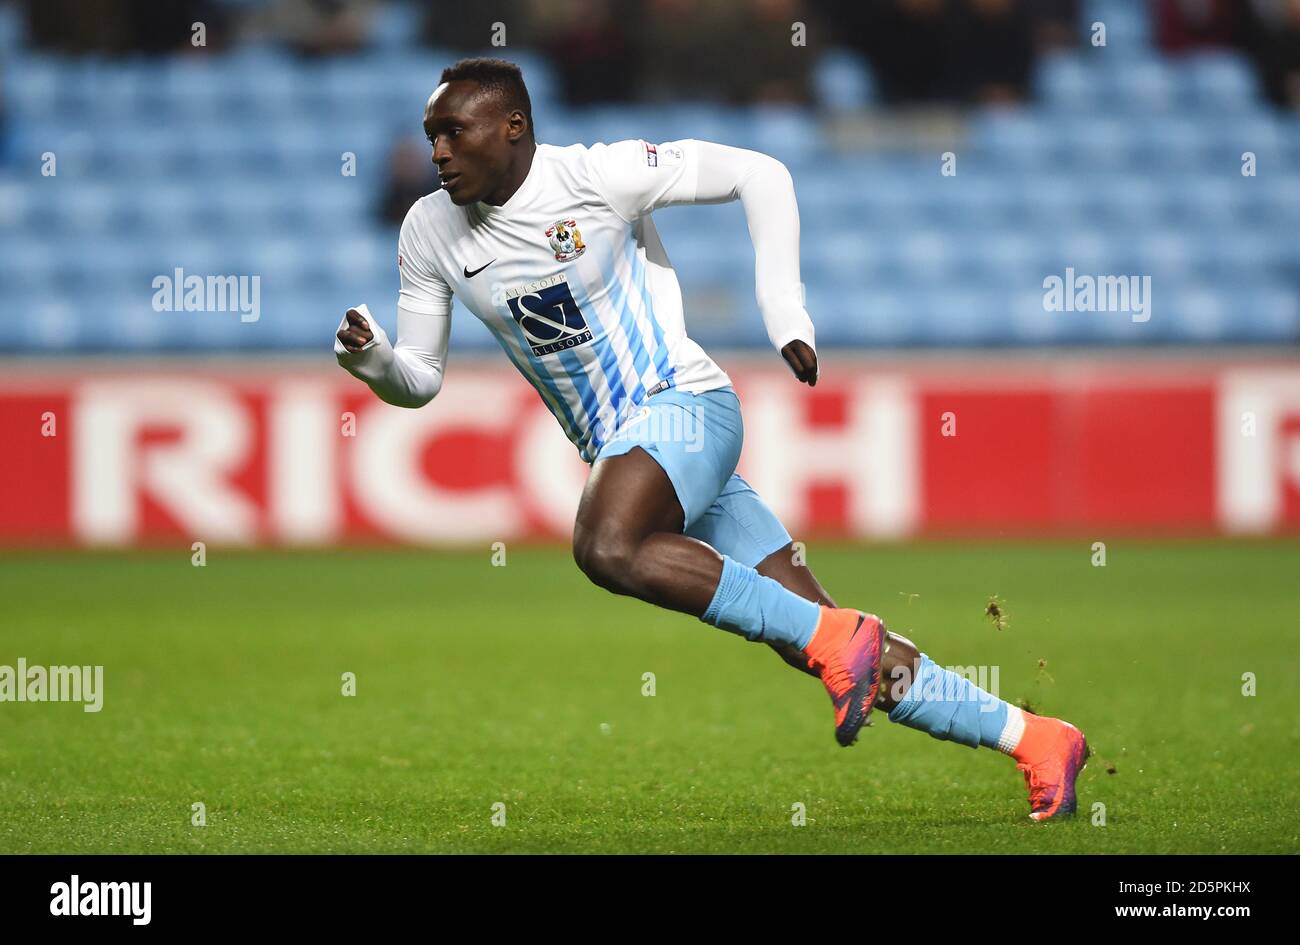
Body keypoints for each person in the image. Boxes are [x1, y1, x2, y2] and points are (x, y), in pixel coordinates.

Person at [334, 57, 1088, 820]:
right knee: (810, 636)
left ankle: (839, 635)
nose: (438, 153)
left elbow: (761, 174)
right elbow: (421, 375)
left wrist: (784, 309)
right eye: (432, 137)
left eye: (453, 132)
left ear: (513, 126)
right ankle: (1035, 737)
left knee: (606, 546)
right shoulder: (428, 229)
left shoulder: (599, 176)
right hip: (642, 455)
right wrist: (374, 362)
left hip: (685, 406)